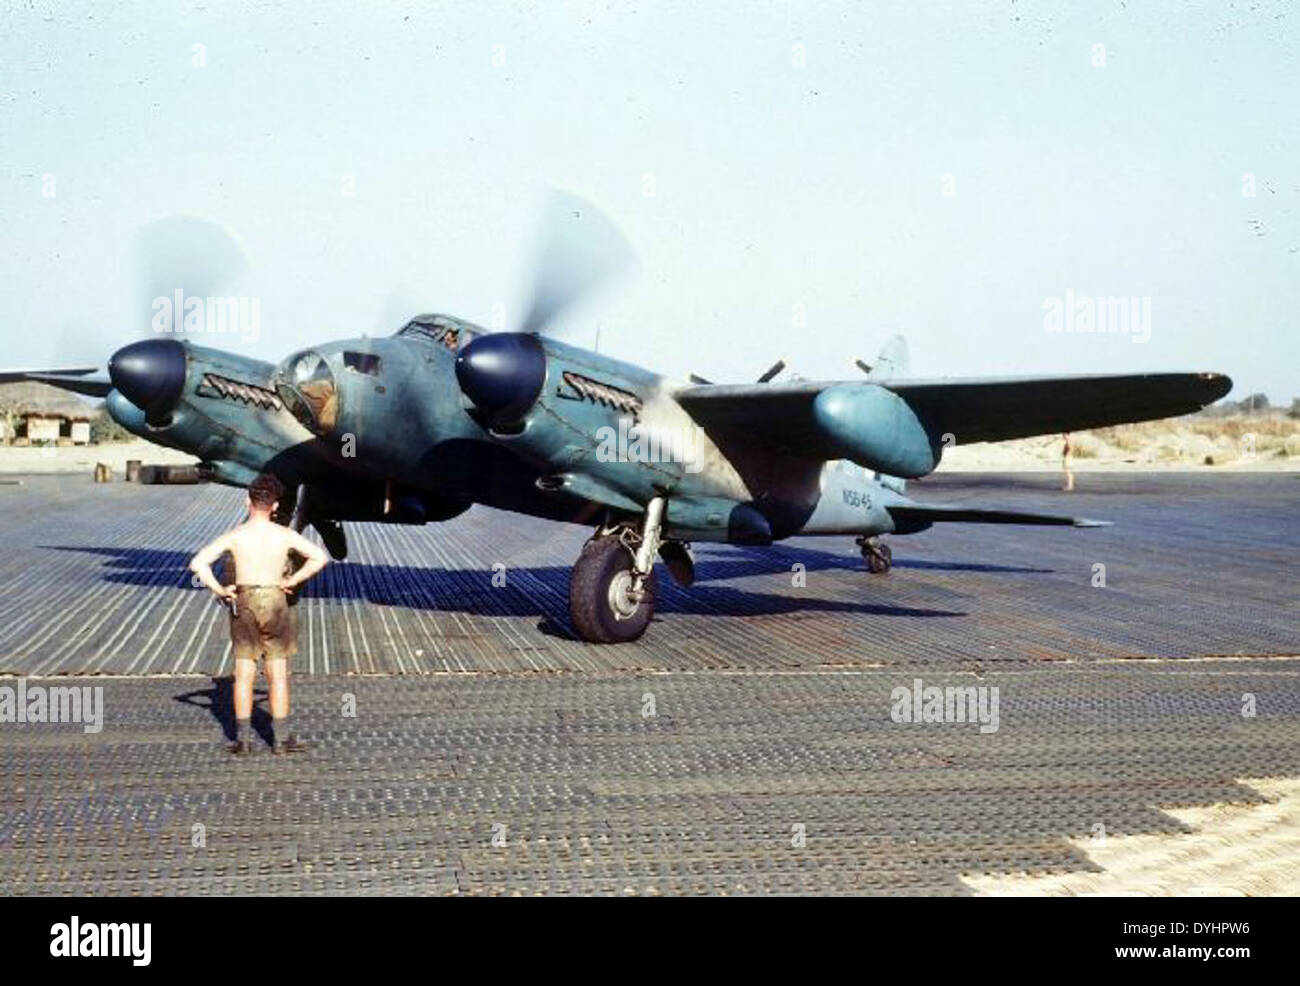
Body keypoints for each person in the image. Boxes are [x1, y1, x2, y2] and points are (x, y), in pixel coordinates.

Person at [189, 473, 329, 755]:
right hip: (275, 599)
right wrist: (292, 581)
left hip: (244, 599)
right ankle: (281, 740)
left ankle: (243, 741)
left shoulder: (236, 536)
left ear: (247, 501)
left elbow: (198, 563)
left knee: (243, 673)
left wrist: (220, 589)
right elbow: (320, 557)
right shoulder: (284, 535)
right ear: (275, 506)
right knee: (277, 673)